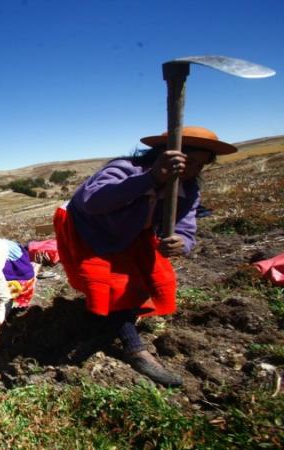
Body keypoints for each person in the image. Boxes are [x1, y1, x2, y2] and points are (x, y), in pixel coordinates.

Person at [53, 126, 237, 387]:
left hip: (134, 231)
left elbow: (185, 225)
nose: (190, 169)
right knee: (111, 282)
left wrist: (180, 242)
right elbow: (93, 201)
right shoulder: (125, 169)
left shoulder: (188, 189)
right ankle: (134, 348)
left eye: (199, 165)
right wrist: (151, 178)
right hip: (90, 228)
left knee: (154, 275)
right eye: (187, 160)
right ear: (164, 153)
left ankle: (110, 322)